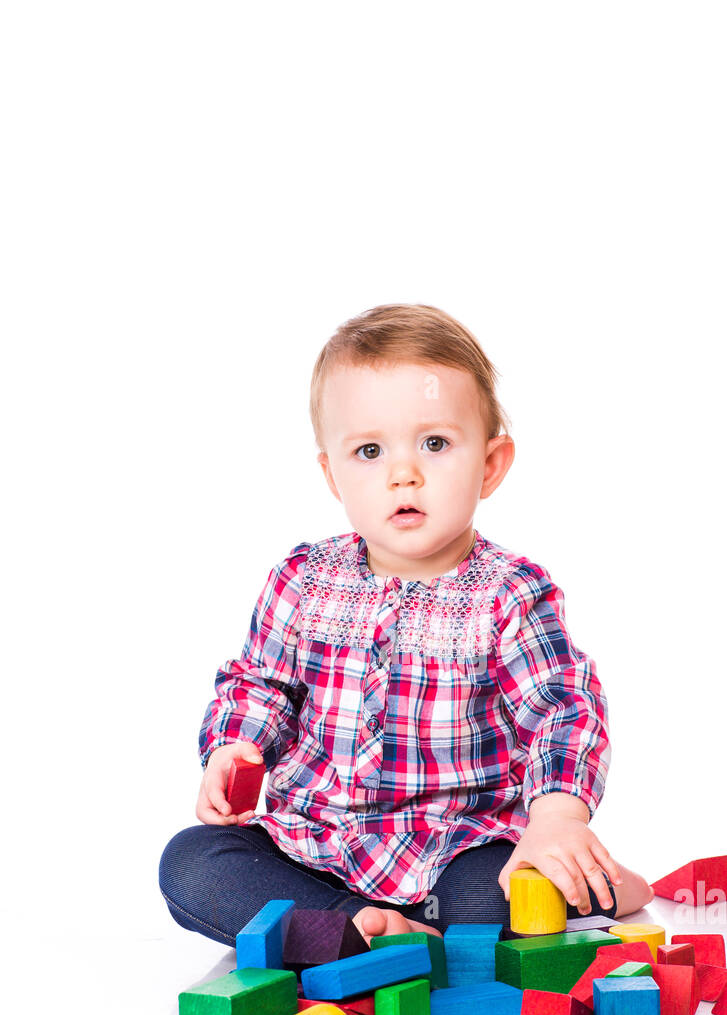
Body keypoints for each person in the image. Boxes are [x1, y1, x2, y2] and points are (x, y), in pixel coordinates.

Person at [158, 303, 653, 953]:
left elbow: (563, 706)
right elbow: (258, 684)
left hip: (451, 850)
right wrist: (234, 749)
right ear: (333, 474)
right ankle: (350, 926)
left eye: (436, 444)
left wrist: (556, 814)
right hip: (311, 846)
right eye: (369, 450)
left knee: (499, 892)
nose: (403, 473)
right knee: (192, 862)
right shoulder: (302, 579)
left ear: (491, 464)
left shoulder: (510, 592)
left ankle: (357, 931)